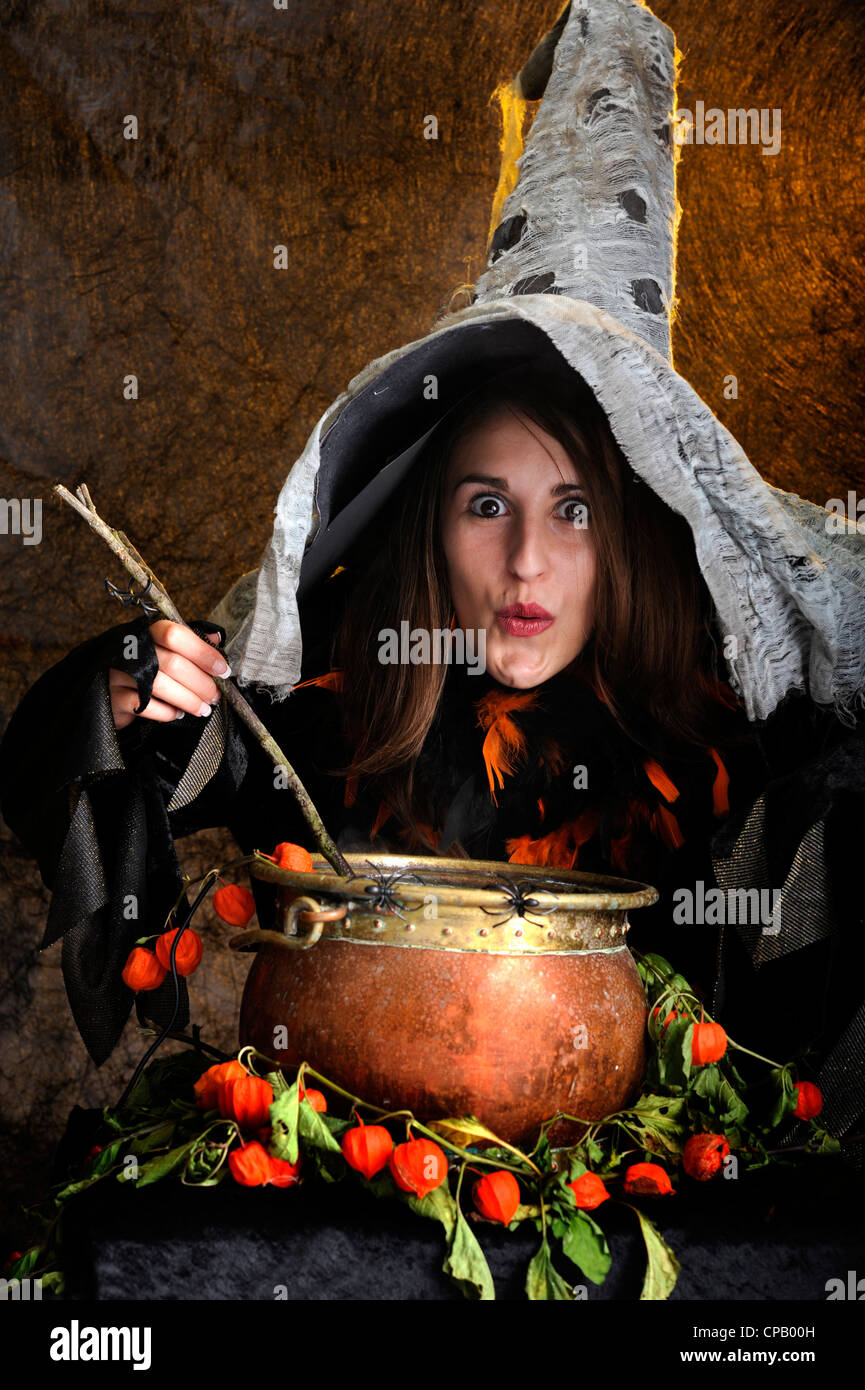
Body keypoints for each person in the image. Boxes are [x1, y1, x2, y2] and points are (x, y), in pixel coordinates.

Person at [2, 0, 864, 1156]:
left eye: (574, 513)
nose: (525, 562)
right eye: (486, 505)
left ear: (636, 539)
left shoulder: (739, 749)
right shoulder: (344, 712)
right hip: (357, 1208)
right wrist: (130, 700)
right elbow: (121, 775)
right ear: (428, 522)